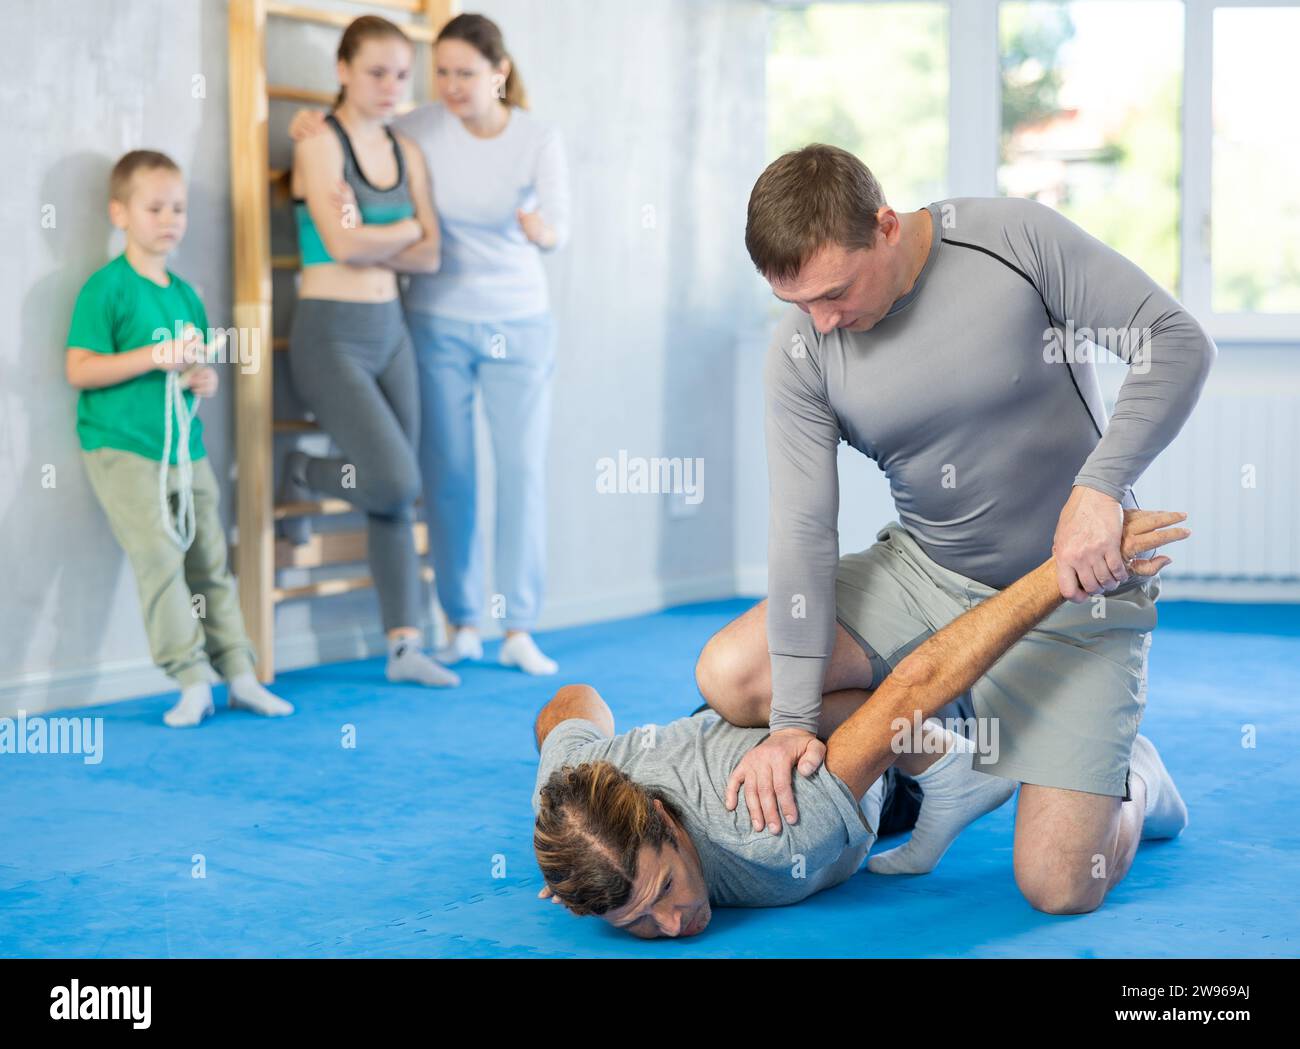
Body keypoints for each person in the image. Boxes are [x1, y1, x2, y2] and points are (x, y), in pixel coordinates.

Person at [695, 146, 1213, 914]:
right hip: (926, 580)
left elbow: (1175, 340)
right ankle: (948, 760)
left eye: (835, 292)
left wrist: (1100, 486)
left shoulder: (1012, 240)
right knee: (736, 674)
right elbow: (803, 529)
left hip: (1076, 594)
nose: (824, 322)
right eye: (800, 303)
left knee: (1060, 886)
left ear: (885, 225)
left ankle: (1133, 776)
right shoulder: (803, 348)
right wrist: (793, 726)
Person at [533, 510, 1190, 939]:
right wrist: (567, 836)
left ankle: (1130, 772)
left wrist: (1064, 571)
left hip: (877, 740)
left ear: (663, 816)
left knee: (1063, 883)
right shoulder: (573, 805)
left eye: (666, 886)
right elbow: (571, 701)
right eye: (639, 920)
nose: (674, 923)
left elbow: (915, 685)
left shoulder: (768, 827)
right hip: (831, 722)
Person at [290, 12, 570, 677]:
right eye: (439, 71)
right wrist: (309, 125)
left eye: (464, 73)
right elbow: (351, 133)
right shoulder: (415, 128)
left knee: (521, 472)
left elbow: (559, 224)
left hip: (519, 320)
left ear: (498, 73)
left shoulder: (536, 137)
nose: (448, 85)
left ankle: (519, 626)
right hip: (436, 320)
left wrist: (542, 229)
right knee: (447, 476)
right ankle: (463, 621)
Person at [65, 150, 293, 727]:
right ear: (120, 212)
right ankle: (191, 680)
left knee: (211, 560)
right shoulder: (107, 289)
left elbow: (186, 372)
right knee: (160, 561)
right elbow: (80, 369)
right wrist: (152, 357)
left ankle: (239, 673)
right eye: (155, 207)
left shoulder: (185, 295)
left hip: (186, 449)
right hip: (124, 448)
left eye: (179, 208)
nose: (169, 218)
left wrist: (199, 379)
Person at [281, 15, 459, 689]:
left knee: (394, 492)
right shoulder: (319, 144)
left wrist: (393, 233)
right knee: (393, 478)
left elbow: (432, 253)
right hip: (330, 333)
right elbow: (343, 243)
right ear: (343, 70)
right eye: (376, 72)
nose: (390, 86)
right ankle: (302, 469)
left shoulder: (405, 150)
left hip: (391, 329)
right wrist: (407, 227)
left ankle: (403, 645)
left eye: (400, 74)